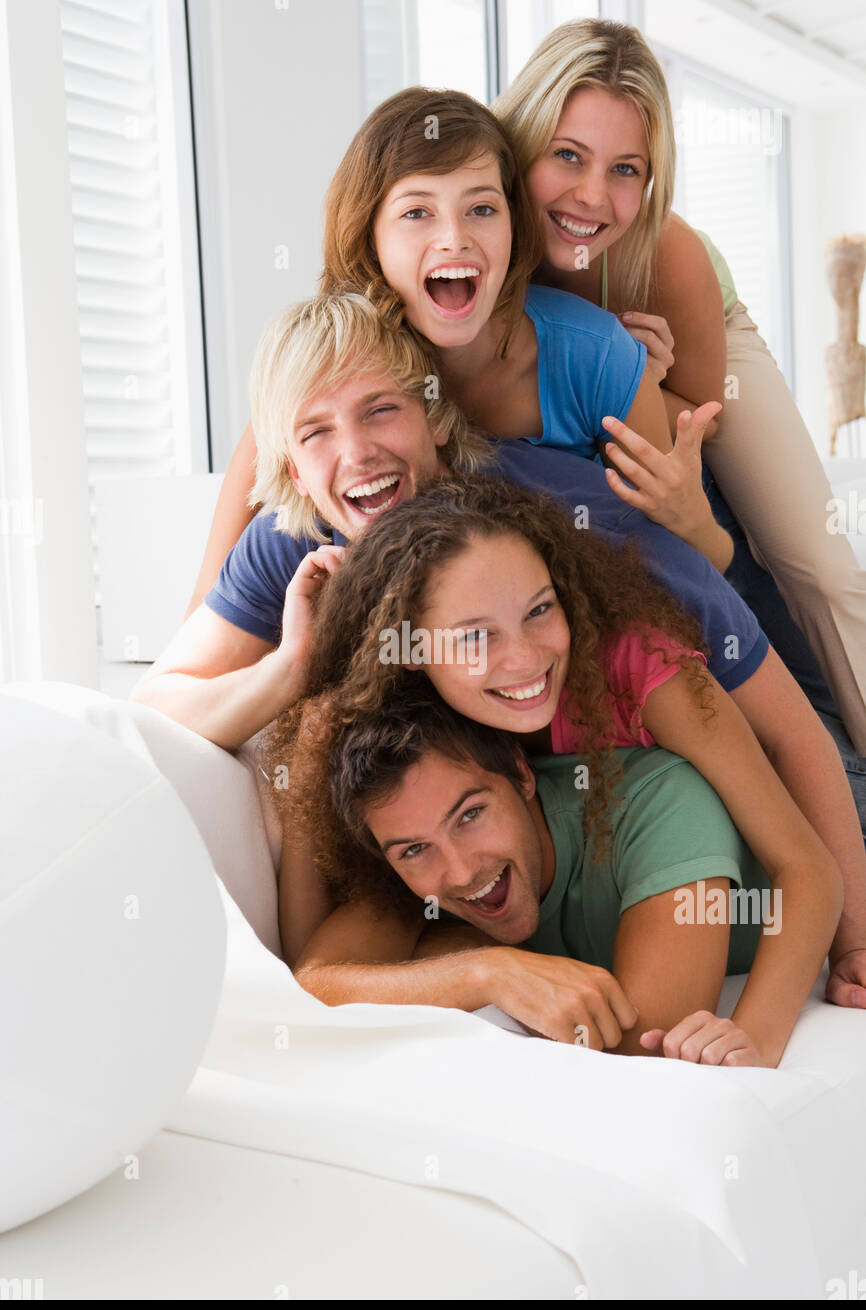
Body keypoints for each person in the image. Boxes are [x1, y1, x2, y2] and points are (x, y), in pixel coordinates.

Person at [129, 291, 866, 1003]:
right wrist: (288, 669)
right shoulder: (298, 546)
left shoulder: (578, 524)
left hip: (773, 765)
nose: (355, 453)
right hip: (557, 839)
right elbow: (156, 709)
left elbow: (792, 735)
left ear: (436, 419)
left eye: (381, 409)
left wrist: (854, 943)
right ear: (292, 467)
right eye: (315, 432)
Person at [269, 471, 842, 1016]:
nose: (522, 659)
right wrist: (484, 971)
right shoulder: (422, 767)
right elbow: (313, 972)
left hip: (828, 807)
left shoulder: (644, 675)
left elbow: (806, 863)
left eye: (540, 610)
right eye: (474, 637)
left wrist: (763, 1033)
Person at [186, 84, 735, 611]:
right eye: (416, 212)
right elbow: (209, 609)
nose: (453, 237)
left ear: (514, 227)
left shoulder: (599, 358)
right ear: (368, 238)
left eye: (481, 209)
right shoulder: (328, 371)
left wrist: (694, 519)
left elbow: (695, 577)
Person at [493, 16, 866, 756]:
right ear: (522, 141)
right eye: (568, 156)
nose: (592, 197)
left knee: (815, 563)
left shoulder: (667, 253)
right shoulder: (479, 225)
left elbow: (700, 421)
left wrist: (638, 376)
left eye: (625, 169)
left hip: (699, 354)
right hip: (623, 379)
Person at [286, 682, 838, 1070]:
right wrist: (487, 970)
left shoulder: (660, 804)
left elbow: (639, 1049)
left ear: (521, 775)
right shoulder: (424, 864)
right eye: (412, 851)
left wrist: (434, 959)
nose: (459, 870)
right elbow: (316, 981)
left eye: (471, 815)